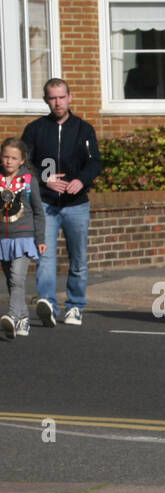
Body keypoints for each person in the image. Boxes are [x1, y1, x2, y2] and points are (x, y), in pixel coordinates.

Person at [22, 78, 101, 328]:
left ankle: (75, 306)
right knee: (45, 258)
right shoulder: (34, 130)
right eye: (52, 98)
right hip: (45, 204)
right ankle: (47, 303)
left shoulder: (84, 129)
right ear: (46, 100)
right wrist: (45, 180)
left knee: (78, 258)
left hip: (76, 204)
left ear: (70, 98)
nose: (58, 102)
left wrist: (81, 180)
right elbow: (25, 163)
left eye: (61, 97)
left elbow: (95, 162)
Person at [0, 138, 46, 339]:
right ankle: (23, 319)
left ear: (21, 161)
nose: (9, 161)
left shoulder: (28, 181)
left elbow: (38, 211)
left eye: (13, 158)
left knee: (17, 278)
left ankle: (11, 315)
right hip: (3, 239)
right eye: (5, 157)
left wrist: (40, 238)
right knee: (11, 281)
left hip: (24, 237)